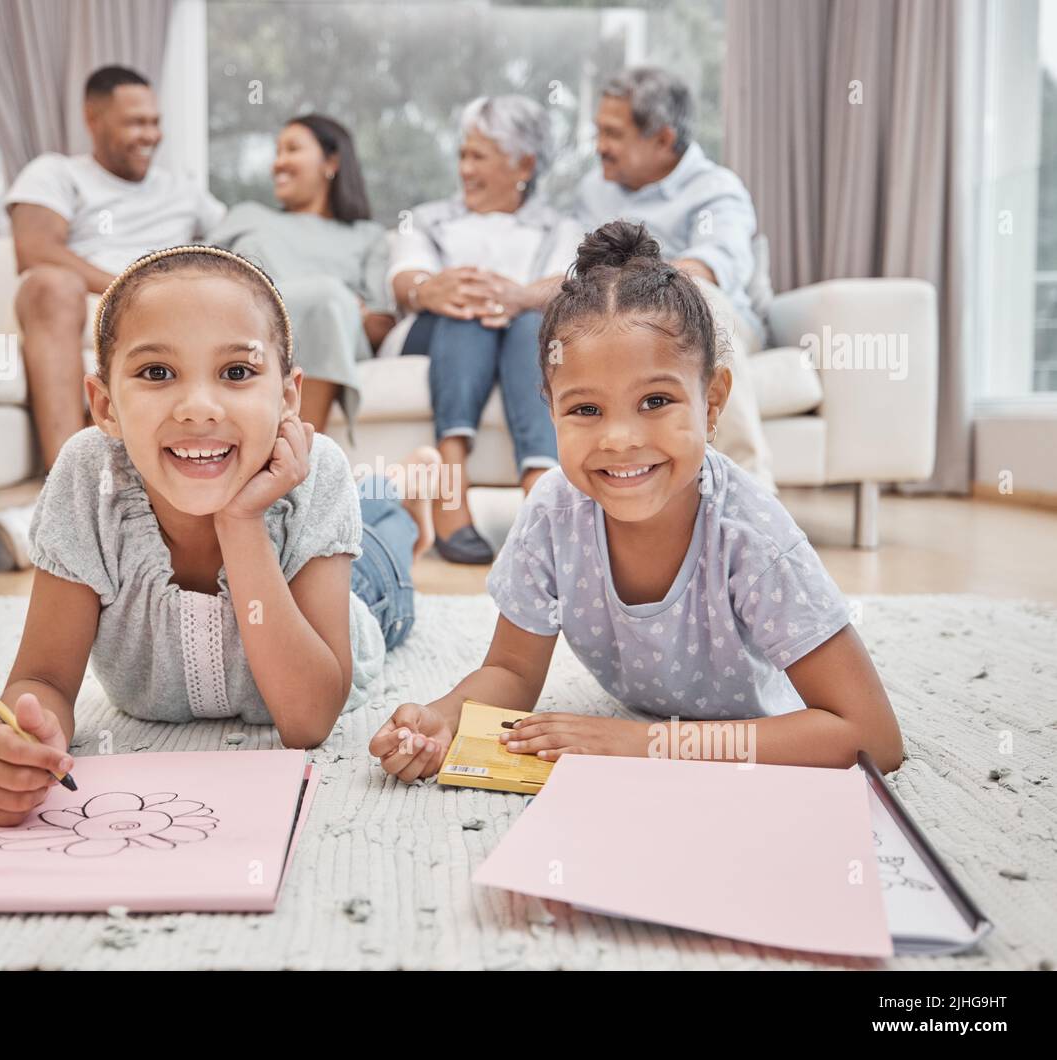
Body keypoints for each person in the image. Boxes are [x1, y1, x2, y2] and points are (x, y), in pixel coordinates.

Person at [370, 222, 903, 782]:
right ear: (550, 411)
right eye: (585, 410)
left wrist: (643, 743)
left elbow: (872, 737)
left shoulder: (752, 536)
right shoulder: (554, 512)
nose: (619, 439)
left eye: (655, 400)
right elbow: (509, 671)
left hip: (760, 733)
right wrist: (442, 718)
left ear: (713, 400)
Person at [0, 245, 438, 826]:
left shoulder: (320, 475)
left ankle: (406, 506)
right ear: (104, 406)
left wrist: (239, 522)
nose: (197, 408)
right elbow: (43, 679)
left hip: (364, 597)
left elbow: (309, 720)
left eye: (236, 372)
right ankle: (392, 495)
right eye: (157, 373)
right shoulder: (87, 478)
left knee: (387, 545)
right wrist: (23, 737)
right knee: (373, 511)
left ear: (287, 399)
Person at [0, 65, 226, 567]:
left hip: (176, 314)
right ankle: (61, 498)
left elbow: (242, 244)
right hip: (90, 306)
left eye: (155, 122)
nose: (151, 136)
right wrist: (129, 289)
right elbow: (34, 250)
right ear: (92, 119)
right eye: (136, 123)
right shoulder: (56, 172)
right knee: (50, 285)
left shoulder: (183, 190)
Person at [389, 95, 585, 564]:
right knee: (468, 310)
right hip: (434, 334)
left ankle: (540, 491)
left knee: (530, 323)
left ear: (524, 163)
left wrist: (517, 297)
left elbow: (571, 284)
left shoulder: (561, 227)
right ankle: (449, 480)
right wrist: (432, 289)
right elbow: (403, 279)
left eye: (478, 156)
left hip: (525, 334)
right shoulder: (429, 218)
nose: (464, 169)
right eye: (462, 154)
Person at [575, 67, 774, 487]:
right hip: (619, 320)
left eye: (612, 134)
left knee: (696, 295)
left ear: (663, 139)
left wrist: (634, 285)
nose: (600, 147)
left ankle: (750, 488)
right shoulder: (594, 190)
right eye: (598, 132)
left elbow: (712, 265)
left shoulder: (715, 190)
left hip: (719, 318)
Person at [207, 114, 394, 433]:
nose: (278, 163)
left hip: (333, 331)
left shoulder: (368, 235)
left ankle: (300, 451)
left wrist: (353, 309)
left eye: (292, 149)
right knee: (322, 297)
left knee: (328, 299)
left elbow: (381, 324)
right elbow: (194, 272)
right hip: (251, 324)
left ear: (331, 162)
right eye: (277, 152)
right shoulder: (248, 215)